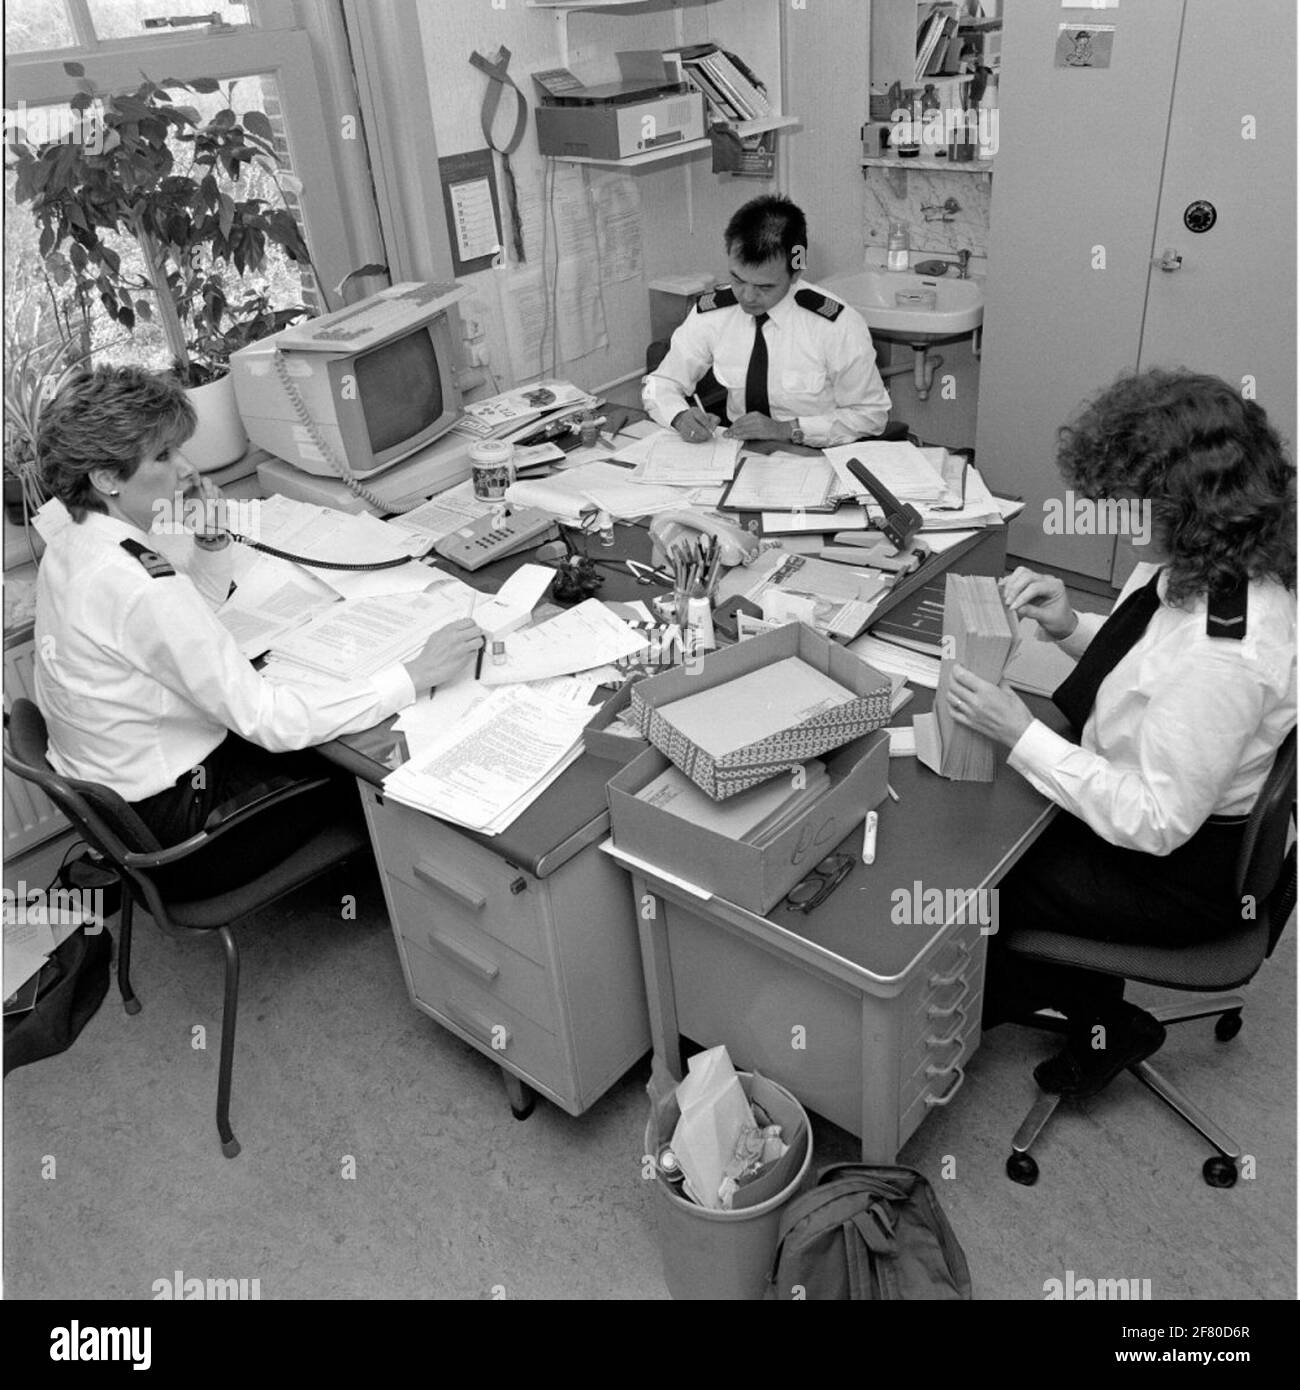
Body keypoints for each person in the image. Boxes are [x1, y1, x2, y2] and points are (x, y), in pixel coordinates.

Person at [945, 369, 1296, 1096]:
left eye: (1131, 506)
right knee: (1000, 821)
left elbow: (1156, 819)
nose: (1115, 522)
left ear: (1193, 502)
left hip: (1177, 869)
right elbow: (1147, 668)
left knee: (977, 884)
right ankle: (1099, 1010)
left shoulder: (1225, 652)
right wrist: (1070, 624)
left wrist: (1019, 734)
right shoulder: (1205, 562)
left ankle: (991, 1029)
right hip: (1166, 809)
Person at [34, 365, 484, 889]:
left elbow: (171, 632)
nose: (185, 469)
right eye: (163, 456)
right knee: (365, 763)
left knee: (320, 714)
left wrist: (210, 539)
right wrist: (413, 673)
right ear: (106, 478)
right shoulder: (135, 582)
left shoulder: (73, 542)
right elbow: (268, 720)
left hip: (126, 813)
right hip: (182, 836)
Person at [642, 194, 891, 447]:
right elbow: (659, 383)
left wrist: (787, 429)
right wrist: (679, 416)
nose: (747, 297)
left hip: (813, 455)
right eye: (738, 280)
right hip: (738, 454)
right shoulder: (714, 312)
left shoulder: (836, 325)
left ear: (796, 270)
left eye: (765, 286)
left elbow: (871, 415)